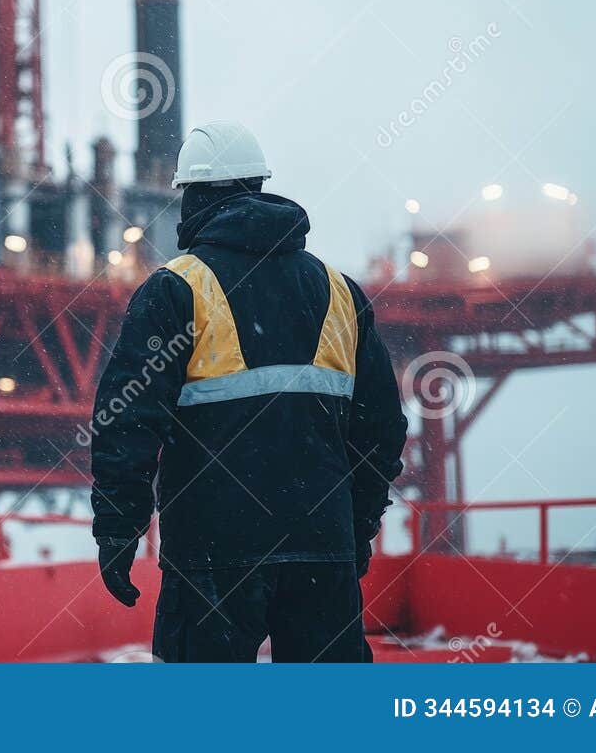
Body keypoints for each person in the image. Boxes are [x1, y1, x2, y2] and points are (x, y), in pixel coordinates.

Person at [89, 120, 408, 662]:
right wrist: (353, 529)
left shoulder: (176, 288)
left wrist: (119, 529)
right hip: (320, 550)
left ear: (194, 198)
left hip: (213, 555)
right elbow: (382, 429)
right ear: (259, 187)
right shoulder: (337, 290)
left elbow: (127, 422)